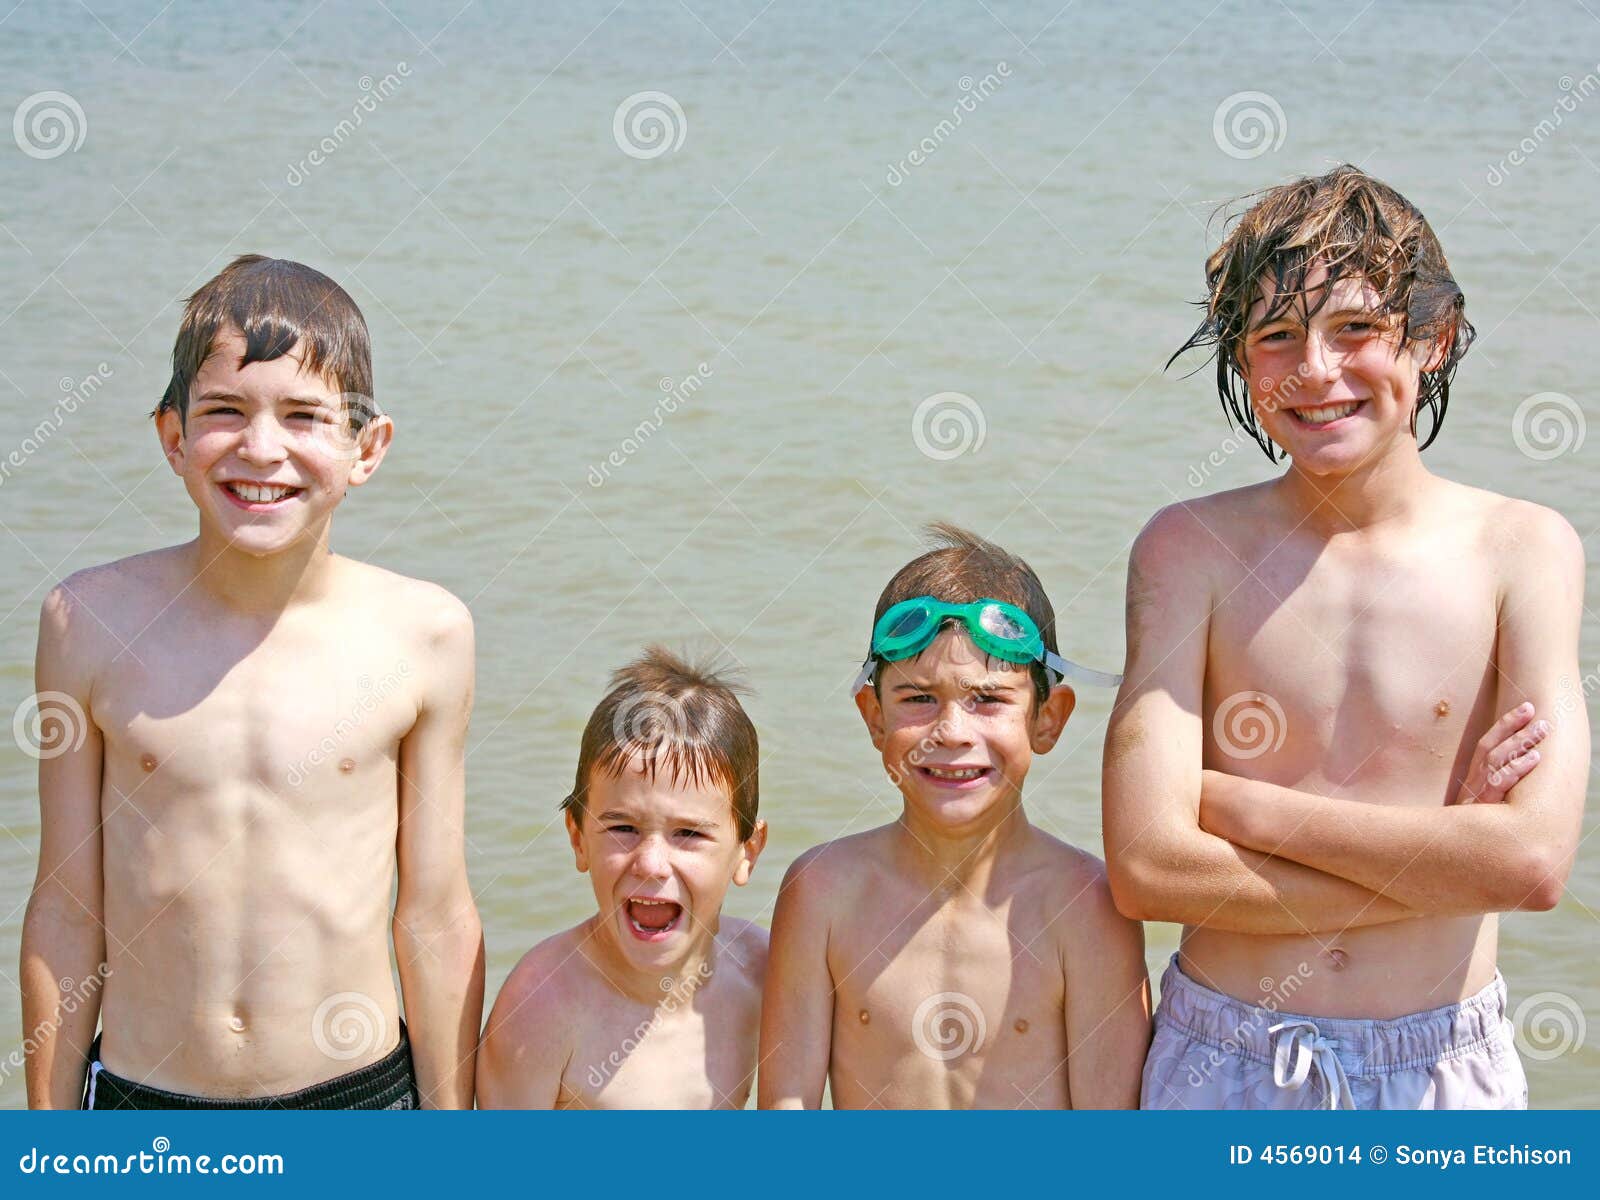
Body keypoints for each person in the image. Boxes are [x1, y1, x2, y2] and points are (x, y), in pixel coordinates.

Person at [1103, 166, 1587, 1109]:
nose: (1316, 370)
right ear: (1244, 363)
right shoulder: (1188, 548)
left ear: (1434, 338)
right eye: (1276, 336)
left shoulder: (1521, 550)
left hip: (1440, 1064)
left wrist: (1235, 807)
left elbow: (1530, 863)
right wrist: (1443, 855)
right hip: (1225, 1056)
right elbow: (1148, 867)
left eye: (1356, 328)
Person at [21, 254, 484, 1109]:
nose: (261, 448)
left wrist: (450, 1134)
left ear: (366, 447)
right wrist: (48, 1134)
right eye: (225, 412)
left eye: (306, 416)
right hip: (143, 1102)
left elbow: (435, 915)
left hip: (356, 1099)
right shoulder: (87, 621)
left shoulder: (424, 635)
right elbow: (66, 906)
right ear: (172, 437)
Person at [760, 525, 1148, 1109]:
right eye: (917, 698)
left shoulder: (1087, 907)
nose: (951, 732)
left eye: (988, 699)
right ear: (874, 717)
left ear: (1049, 718)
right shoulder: (821, 892)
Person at [477, 647, 768, 1108]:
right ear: (578, 838)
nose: (650, 863)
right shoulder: (542, 1005)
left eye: (688, 833)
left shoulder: (763, 975)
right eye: (623, 829)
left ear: (747, 851)